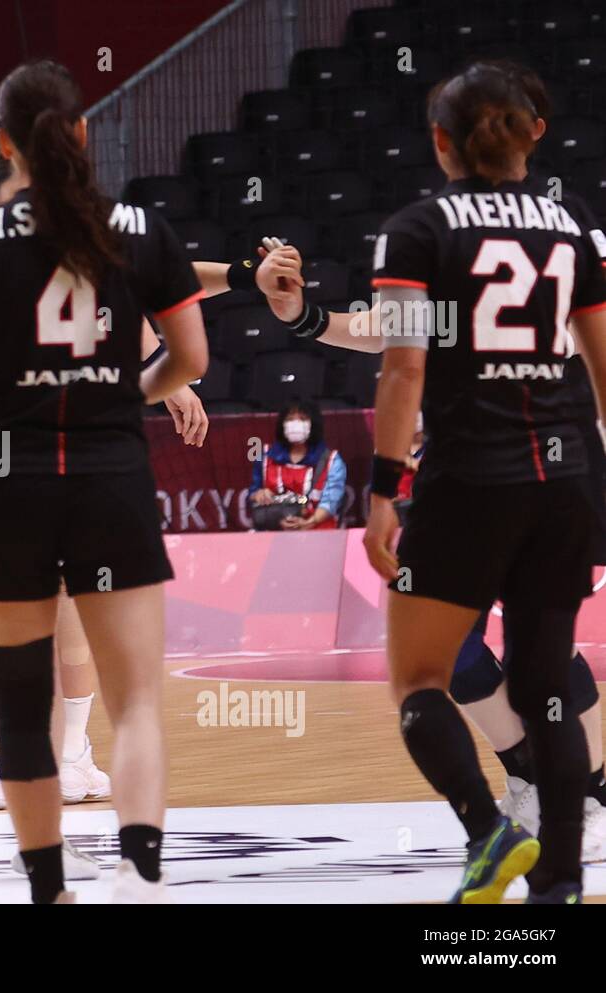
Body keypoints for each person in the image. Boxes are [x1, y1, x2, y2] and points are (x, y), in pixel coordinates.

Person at [0, 60, 210, 903]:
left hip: (9, 479)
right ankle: (138, 873)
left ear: (3, 143)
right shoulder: (139, 226)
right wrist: (118, 397)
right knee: (135, 700)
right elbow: (193, 359)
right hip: (112, 475)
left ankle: (49, 888)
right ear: (83, 133)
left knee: (20, 702)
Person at [267, 62, 606, 867]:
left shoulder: (424, 226)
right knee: (534, 665)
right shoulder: (572, 225)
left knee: (440, 666)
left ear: (440, 141)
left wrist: (383, 489)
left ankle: (531, 809)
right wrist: (307, 316)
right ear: (535, 131)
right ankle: (548, 821)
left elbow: (401, 357)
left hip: (472, 469)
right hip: (563, 472)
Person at [247, 401, 346, 530]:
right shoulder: (265, 456)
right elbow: (253, 494)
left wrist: (310, 522)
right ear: (282, 424)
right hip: (273, 535)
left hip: (318, 533)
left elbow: (331, 501)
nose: (296, 424)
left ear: (313, 424)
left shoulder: (332, 460)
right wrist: (258, 495)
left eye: (303, 419)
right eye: (290, 419)